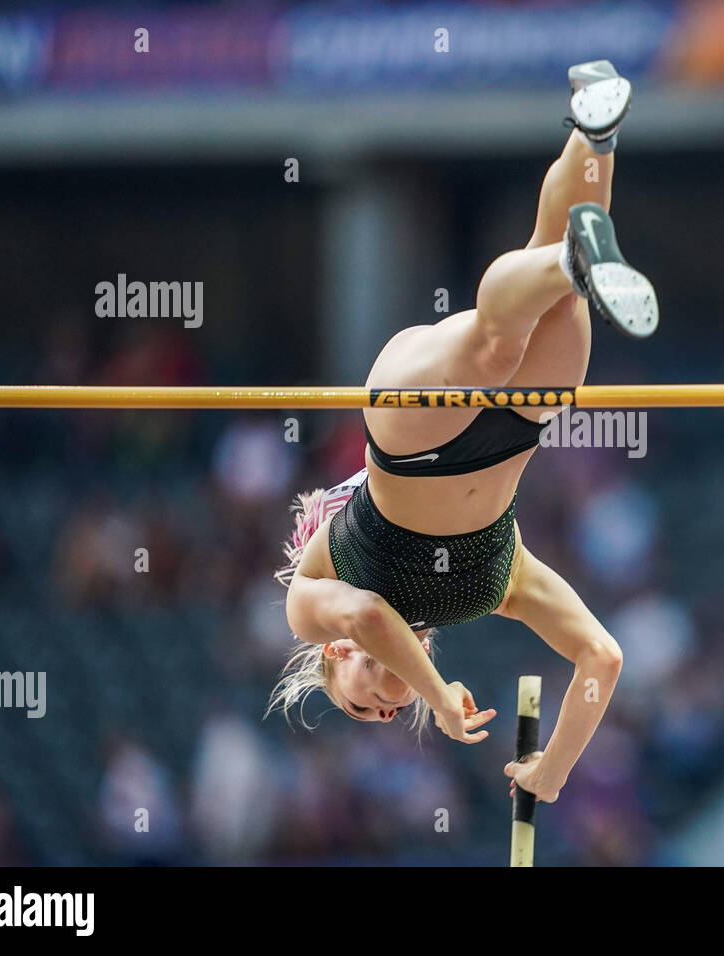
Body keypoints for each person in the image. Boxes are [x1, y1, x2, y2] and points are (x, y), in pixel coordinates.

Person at [269, 61, 657, 805]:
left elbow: (369, 614)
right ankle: (594, 134)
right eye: (390, 714)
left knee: (493, 343)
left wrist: (441, 697)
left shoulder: (315, 603)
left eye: (357, 703)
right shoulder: (494, 586)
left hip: (410, 436)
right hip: (518, 428)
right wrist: (553, 771)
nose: (383, 712)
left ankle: (571, 261)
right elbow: (600, 659)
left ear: (336, 657)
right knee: (550, 259)